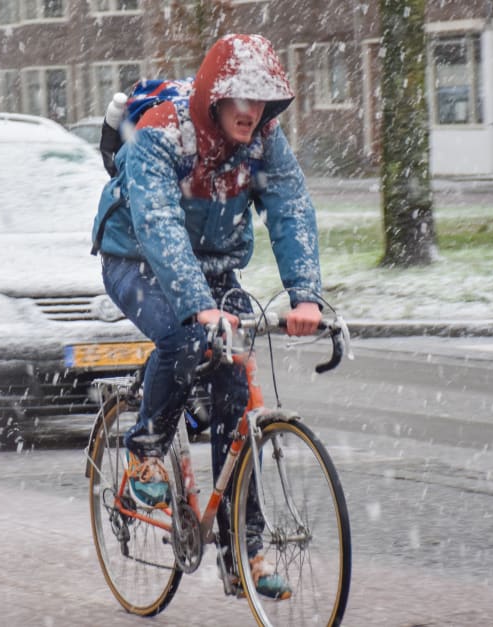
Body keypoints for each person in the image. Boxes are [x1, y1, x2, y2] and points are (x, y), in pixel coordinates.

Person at [91, 33, 322, 600]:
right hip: (135, 260)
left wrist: (306, 297)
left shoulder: (264, 141)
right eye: (240, 98)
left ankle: (242, 549)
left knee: (235, 391)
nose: (251, 111)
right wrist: (198, 307)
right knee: (185, 338)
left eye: (260, 99)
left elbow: (290, 206)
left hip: (215, 270)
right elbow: (159, 227)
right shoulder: (162, 133)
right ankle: (146, 454)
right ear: (214, 98)